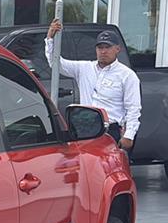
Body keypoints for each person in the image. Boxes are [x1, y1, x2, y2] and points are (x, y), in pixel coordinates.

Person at [45, 20, 141, 150]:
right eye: (100, 47)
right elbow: (56, 63)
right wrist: (50, 38)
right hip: (85, 130)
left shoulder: (127, 75)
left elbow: (133, 108)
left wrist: (129, 135)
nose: (103, 51)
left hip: (110, 131)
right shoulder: (84, 68)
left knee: (110, 169)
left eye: (107, 47)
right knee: (87, 168)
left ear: (117, 49)